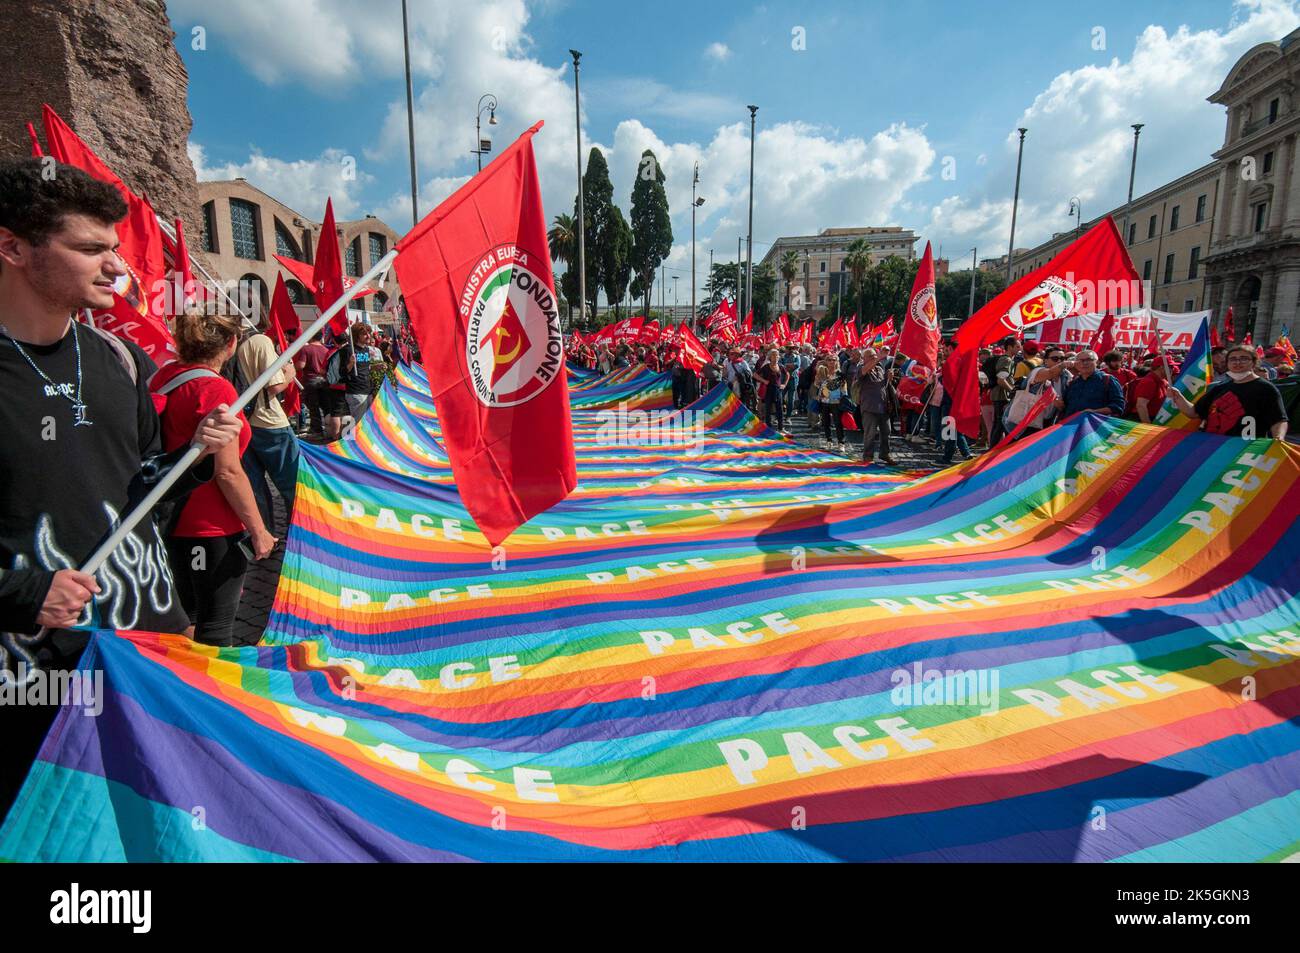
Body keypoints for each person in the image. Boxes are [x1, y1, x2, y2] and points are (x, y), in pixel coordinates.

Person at [0, 157, 241, 820]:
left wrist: (193, 458)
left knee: (157, 820)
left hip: (145, 653)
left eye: (114, 248)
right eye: (90, 249)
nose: (116, 267)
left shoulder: (120, 359)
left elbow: (137, 493)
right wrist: (26, 593)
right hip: (33, 679)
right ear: (14, 247)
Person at [152, 310, 277, 647]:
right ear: (231, 344)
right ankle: (209, 690)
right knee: (216, 625)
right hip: (212, 525)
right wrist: (259, 530)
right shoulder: (216, 390)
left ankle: (184, 683)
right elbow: (228, 471)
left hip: (171, 516)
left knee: (187, 617)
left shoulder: (166, 376)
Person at [236, 318, 301, 532]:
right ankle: (300, 532)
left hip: (244, 422)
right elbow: (274, 386)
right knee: (292, 483)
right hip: (269, 422)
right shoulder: (260, 341)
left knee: (254, 486)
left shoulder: (234, 341)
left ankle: (264, 534)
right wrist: (290, 374)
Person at [1166, 344, 1288, 438]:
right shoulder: (1220, 388)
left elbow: (1278, 420)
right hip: (1215, 446)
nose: (1238, 362)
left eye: (1244, 358)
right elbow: (1194, 412)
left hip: (1246, 450)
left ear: (1254, 362)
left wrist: (1278, 438)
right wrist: (1178, 396)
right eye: (1233, 359)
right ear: (1228, 364)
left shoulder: (1266, 389)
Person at [1054, 349, 1125, 418]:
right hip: (1072, 426)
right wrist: (1059, 404)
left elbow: (1118, 406)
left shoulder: (1108, 380)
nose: (1084, 363)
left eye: (1089, 360)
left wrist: (1095, 412)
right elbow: (1066, 406)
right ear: (1076, 364)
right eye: (1081, 360)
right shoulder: (1073, 382)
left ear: (1096, 362)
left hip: (1096, 427)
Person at [858, 347, 895, 464]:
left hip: (883, 406)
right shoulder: (861, 368)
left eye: (875, 355)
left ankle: (885, 454)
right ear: (864, 359)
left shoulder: (879, 368)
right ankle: (868, 456)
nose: (875, 357)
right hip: (869, 407)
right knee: (870, 433)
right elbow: (864, 371)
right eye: (872, 356)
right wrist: (878, 357)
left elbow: (883, 384)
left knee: (887, 431)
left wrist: (889, 377)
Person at [298, 330, 330, 437]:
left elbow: (301, 365)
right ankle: (330, 428)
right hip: (324, 380)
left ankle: (317, 430)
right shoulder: (326, 349)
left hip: (311, 380)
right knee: (326, 406)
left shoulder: (306, 349)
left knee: (313, 407)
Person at [1129, 355, 1175, 423]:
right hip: (1143, 420)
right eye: (1171, 366)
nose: (1173, 369)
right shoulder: (1149, 382)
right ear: (1161, 367)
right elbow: (1141, 405)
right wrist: (1148, 425)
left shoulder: (1164, 381)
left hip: (1156, 419)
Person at [755, 347, 790, 432]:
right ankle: (768, 428)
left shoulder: (781, 366)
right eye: (774, 355)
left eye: (777, 355)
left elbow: (787, 374)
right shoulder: (766, 367)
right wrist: (764, 381)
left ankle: (781, 428)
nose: (776, 357)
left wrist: (784, 384)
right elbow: (755, 374)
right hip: (768, 390)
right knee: (768, 409)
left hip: (778, 390)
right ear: (770, 357)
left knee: (780, 410)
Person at [817, 362, 847, 450]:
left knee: (838, 423)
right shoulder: (823, 373)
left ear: (837, 362)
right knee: (826, 422)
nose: (831, 362)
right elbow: (818, 384)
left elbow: (844, 387)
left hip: (836, 401)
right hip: (825, 401)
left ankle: (841, 443)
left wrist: (843, 397)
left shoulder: (840, 375)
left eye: (833, 360)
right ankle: (829, 441)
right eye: (829, 360)